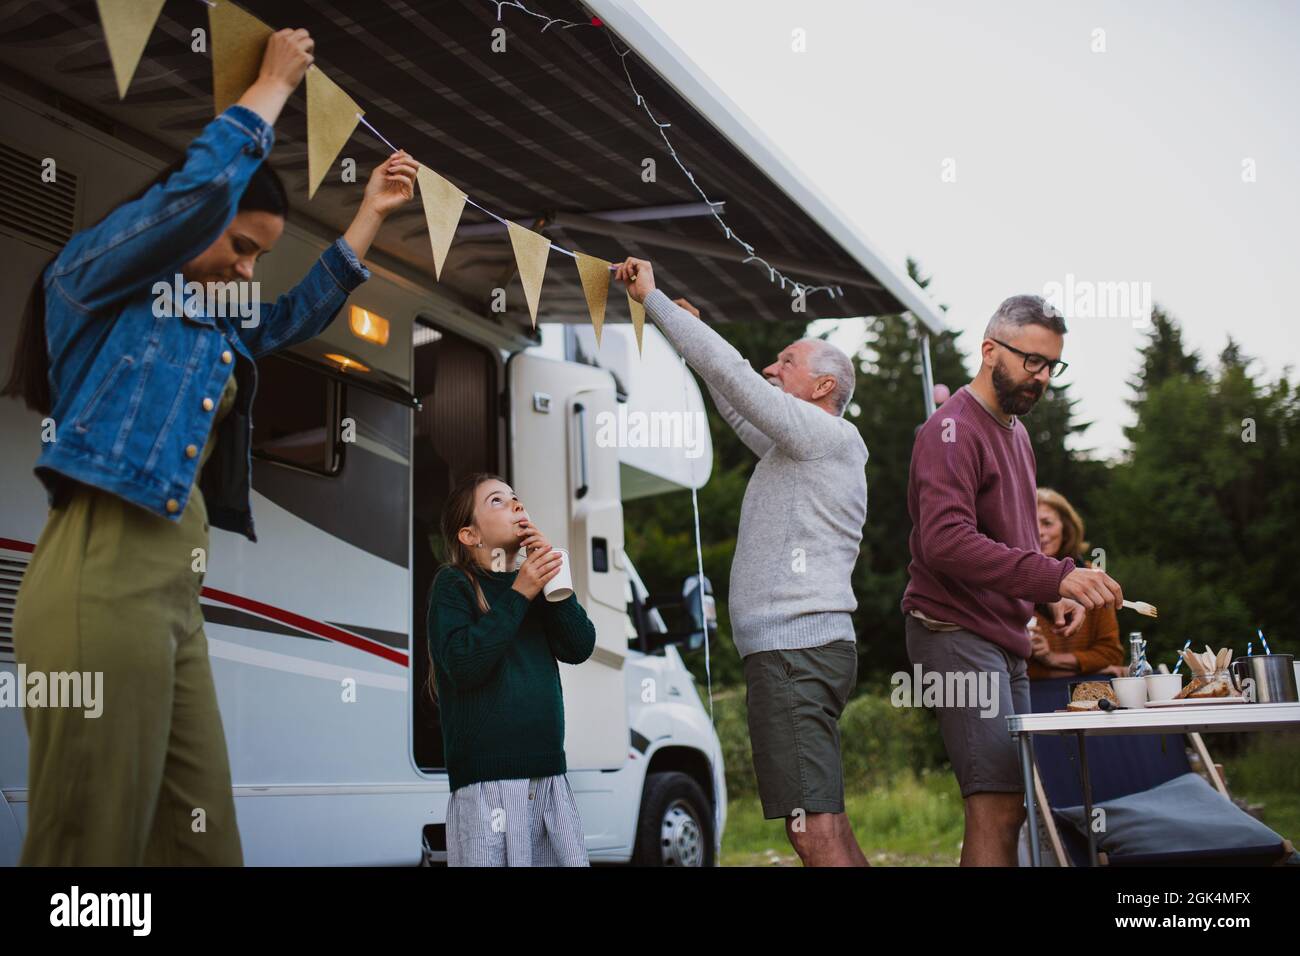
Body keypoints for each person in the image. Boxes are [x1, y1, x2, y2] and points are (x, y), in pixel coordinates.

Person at [4, 28, 417, 865]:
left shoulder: (209, 328)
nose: (244, 272)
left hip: (172, 595)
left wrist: (369, 212)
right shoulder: (94, 281)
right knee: (90, 851)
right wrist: (270, 88)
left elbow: (294, 316)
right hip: (101, 575)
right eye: (240, 247)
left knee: (202, 845)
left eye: (256, 257)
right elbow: (194, 198)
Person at [617, 257, 871, 867]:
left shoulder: (825, 436)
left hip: (794, 652)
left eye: (786, 362)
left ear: (823, 387)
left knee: (810, 829)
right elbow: (736, 400)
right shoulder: (801, 448)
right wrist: (684, 330)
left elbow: (737, 378)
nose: (770, 367)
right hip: (798, 651)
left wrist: (653, 301)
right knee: (822, 820)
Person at [901, 294, 1125, 866]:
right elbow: (945, 543)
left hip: (1006, 639)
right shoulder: (949, 430)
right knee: (996, 807)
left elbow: (1015, 540)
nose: (1042, 377)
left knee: (1015, 804)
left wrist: (1049, 601)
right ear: (989, 350)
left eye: (1052, 365)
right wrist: (1056, 576)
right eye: (1032, 361)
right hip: (953, 631)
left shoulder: (1017, 432)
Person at [427, 473, 597, 867]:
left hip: (548, 774)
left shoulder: (535, 585)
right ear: (470, 536)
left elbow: (579, 647)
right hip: (488, 782)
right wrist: (520, 591)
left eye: (515, 497)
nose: (516, 504)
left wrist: (555, 586)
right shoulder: (454, 584)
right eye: (497, 501)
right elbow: (463, 665)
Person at [1028, 488, 1124, 680]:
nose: (1040, 532)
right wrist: (1086, 670)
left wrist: (1053, 659)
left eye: (1047, 523)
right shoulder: (1012, 581)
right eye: (1031, 523)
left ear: (1066, 529)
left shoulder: (1093, 578)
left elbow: (1111, 654)